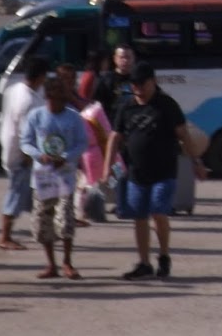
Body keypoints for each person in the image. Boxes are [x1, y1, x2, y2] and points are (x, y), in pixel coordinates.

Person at [103, 61, 208, 280]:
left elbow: (183, 135)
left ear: (152, 82)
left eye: (142, 83)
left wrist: (196, 162)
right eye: (134, 84)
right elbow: (115, 137)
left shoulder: (166, 105)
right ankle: (144, 262)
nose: (137, 88)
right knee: (139, 217)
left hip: (164, 170)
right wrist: (107, 169)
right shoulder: (126, 106)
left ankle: (164, 256)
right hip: (136, 172)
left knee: (158, 212)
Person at [22, 76, 90, 280]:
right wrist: (38, 155)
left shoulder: (74, 117)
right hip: (43, 178)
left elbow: (82, 143)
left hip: (66, 178)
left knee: (66, 221)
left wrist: (67, 157)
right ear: (47, 98)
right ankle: (51, 264)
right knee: (44, 222)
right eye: (52, 99)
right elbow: (25, 141)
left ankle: (67, 262)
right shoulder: (36, 116)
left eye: (60, 99)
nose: (56, 104)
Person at [0, 57, 48, 251]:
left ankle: (42, 230)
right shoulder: (27, 101)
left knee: (33, 196)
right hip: (21, 154)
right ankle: (4, 236)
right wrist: (28, 158)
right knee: (15, 195)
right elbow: (26, 134)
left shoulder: (16, 89)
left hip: (13, 147)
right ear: (40, 76)